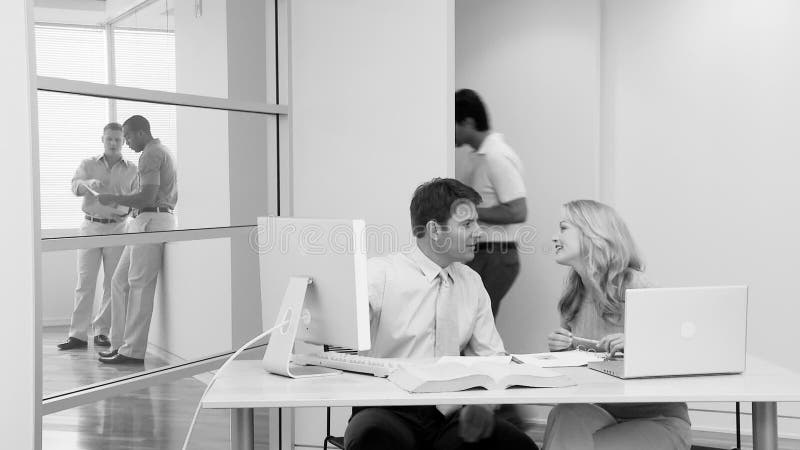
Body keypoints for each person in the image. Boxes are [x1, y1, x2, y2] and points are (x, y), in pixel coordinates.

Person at [344, 178, 538, 450]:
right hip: (389, 407)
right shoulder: (379, 274)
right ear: (435, 230)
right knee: (373, 437)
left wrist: (487, 401)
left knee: (517, 445)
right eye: (467, 224)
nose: (479, 232)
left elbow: (491, 359)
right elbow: (340, 339)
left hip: (452, 413)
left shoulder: (471, 282)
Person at [542, 199, 691, 450]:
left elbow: (682, 350)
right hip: (602, 412)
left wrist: (637, 344)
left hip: (656, 419)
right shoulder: (573, 297)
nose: (555, 238)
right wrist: (563, 352)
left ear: (592, 233)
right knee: (563, 414)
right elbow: (580, 374)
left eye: (563, 228)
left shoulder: (637, 286)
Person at [96, 115, 178, 364]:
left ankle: (132, 352)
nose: (127, 142)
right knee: (119, 281)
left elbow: (147, 197)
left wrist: (113, 198)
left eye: (129, 136)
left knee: (140, 285)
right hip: (143, 220)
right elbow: (144, 195)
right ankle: (119, 344)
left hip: (152, 220)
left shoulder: (151, 154)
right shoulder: (159, 151)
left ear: (142, 133)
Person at [57, 122, 139, 351]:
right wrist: (89, 184)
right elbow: (75, 187)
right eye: (109, 138)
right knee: (85, 282)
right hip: (90, 227)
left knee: (112, 283)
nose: (113, 143)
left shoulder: (133, 170)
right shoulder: (88, 164)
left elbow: (137, 201)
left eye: (117, 139)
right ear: (102, 139)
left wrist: (121, 206)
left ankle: (102, 332)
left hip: (118, 228)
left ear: (123, 141)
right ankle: (77, 335)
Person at [455, 88, 527, 318]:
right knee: (472, 324)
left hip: (496, 255)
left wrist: (466, 212)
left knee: (477, 325)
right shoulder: (477, 156)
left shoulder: (497, 156)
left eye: (451, 123)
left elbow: (517, 211)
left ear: (467, 122)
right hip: (482, 253)